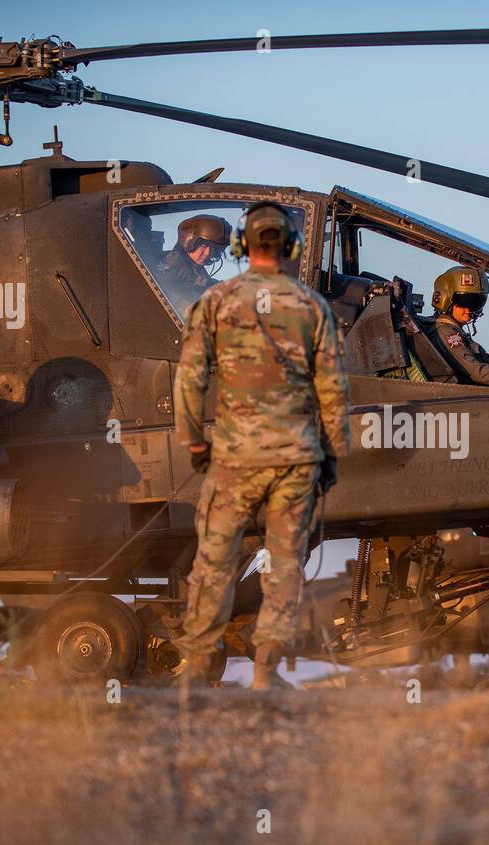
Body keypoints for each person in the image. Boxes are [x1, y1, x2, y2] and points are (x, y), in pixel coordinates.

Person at [173, 201, 349, 690]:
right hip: (296, 460)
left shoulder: (214, 303)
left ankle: (195, 667)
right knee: (285, 564)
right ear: (291, 247)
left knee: (213, 562)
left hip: (234, 459)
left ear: (240, 247)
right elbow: (335, 391)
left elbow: (188, 381)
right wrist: (330, 459)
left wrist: (194, 444)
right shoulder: (313, 307)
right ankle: (265, 673)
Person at [157, 214, 231, 313]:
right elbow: (161, 291)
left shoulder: (197, 269)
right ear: (189, 240)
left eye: (213, 249)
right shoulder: (173, 263)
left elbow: (204, 283)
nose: (208, 253)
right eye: (204, 246)